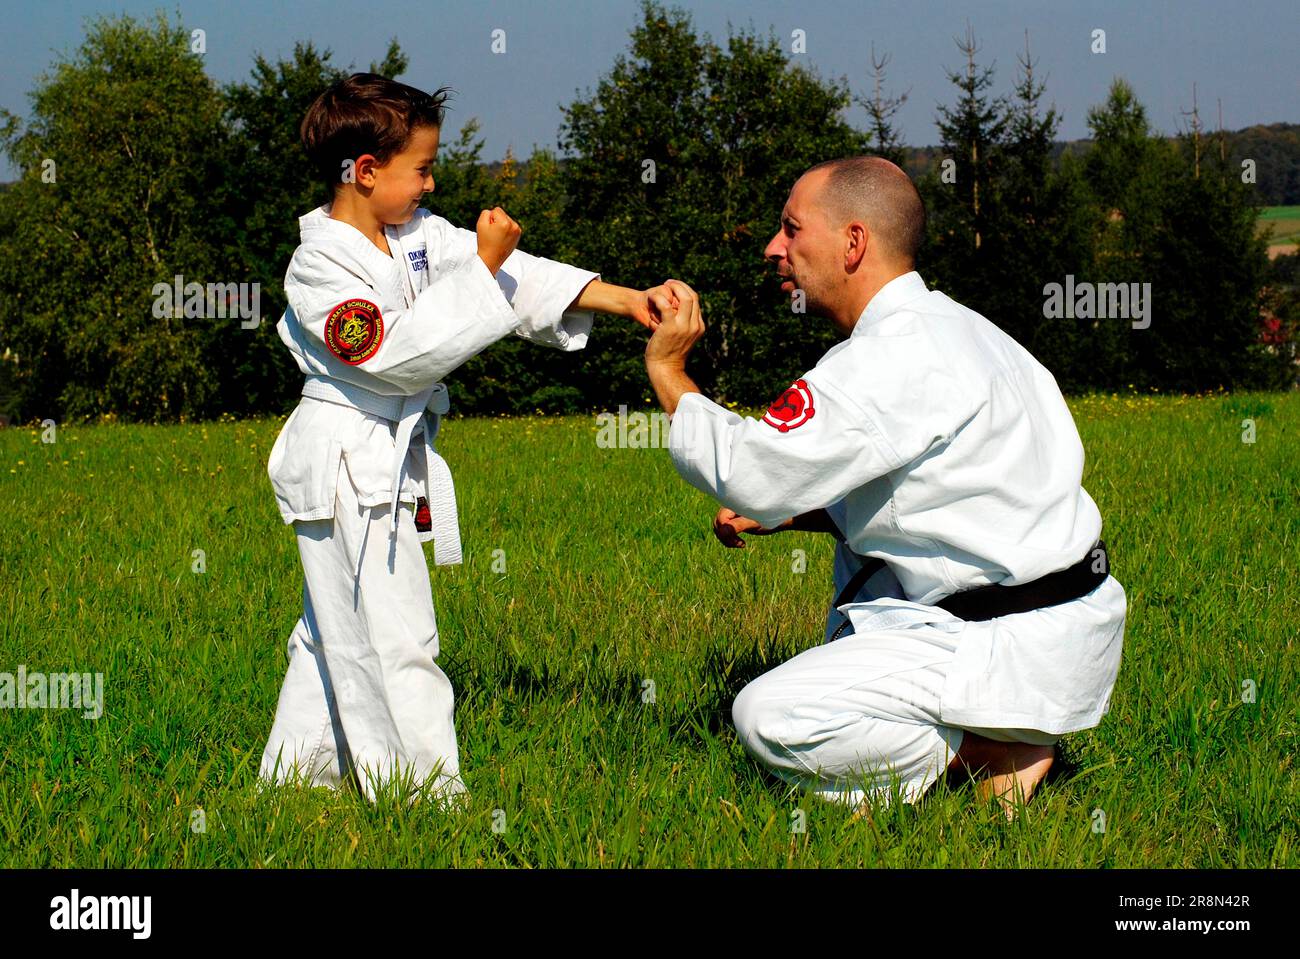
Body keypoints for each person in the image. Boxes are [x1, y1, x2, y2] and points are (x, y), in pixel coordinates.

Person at [643, 157, 1126, 818]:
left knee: (766, 713)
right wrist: (790, 518)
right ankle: (997, 730)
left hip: (1006, 644)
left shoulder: (886, 358)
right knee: (861, 574)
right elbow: (939, 495)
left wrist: (670, 370)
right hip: (1072, 628)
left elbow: (752, 470)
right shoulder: (969, 330)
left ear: (853, 242)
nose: (773, 248)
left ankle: (986, 747)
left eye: (790, 229)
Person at [259, 73, 665, 804]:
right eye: (420, 167)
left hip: (375, 456)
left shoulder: (413, 237)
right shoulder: (318, 265)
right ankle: (422, 796)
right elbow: (391, 356)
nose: (431, 181)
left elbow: (519, 280)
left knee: (334, 628)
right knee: (396, 634)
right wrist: (480, 268)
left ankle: (297, 783)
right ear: (365, 170)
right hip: (348, 454)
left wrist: (626, 299)